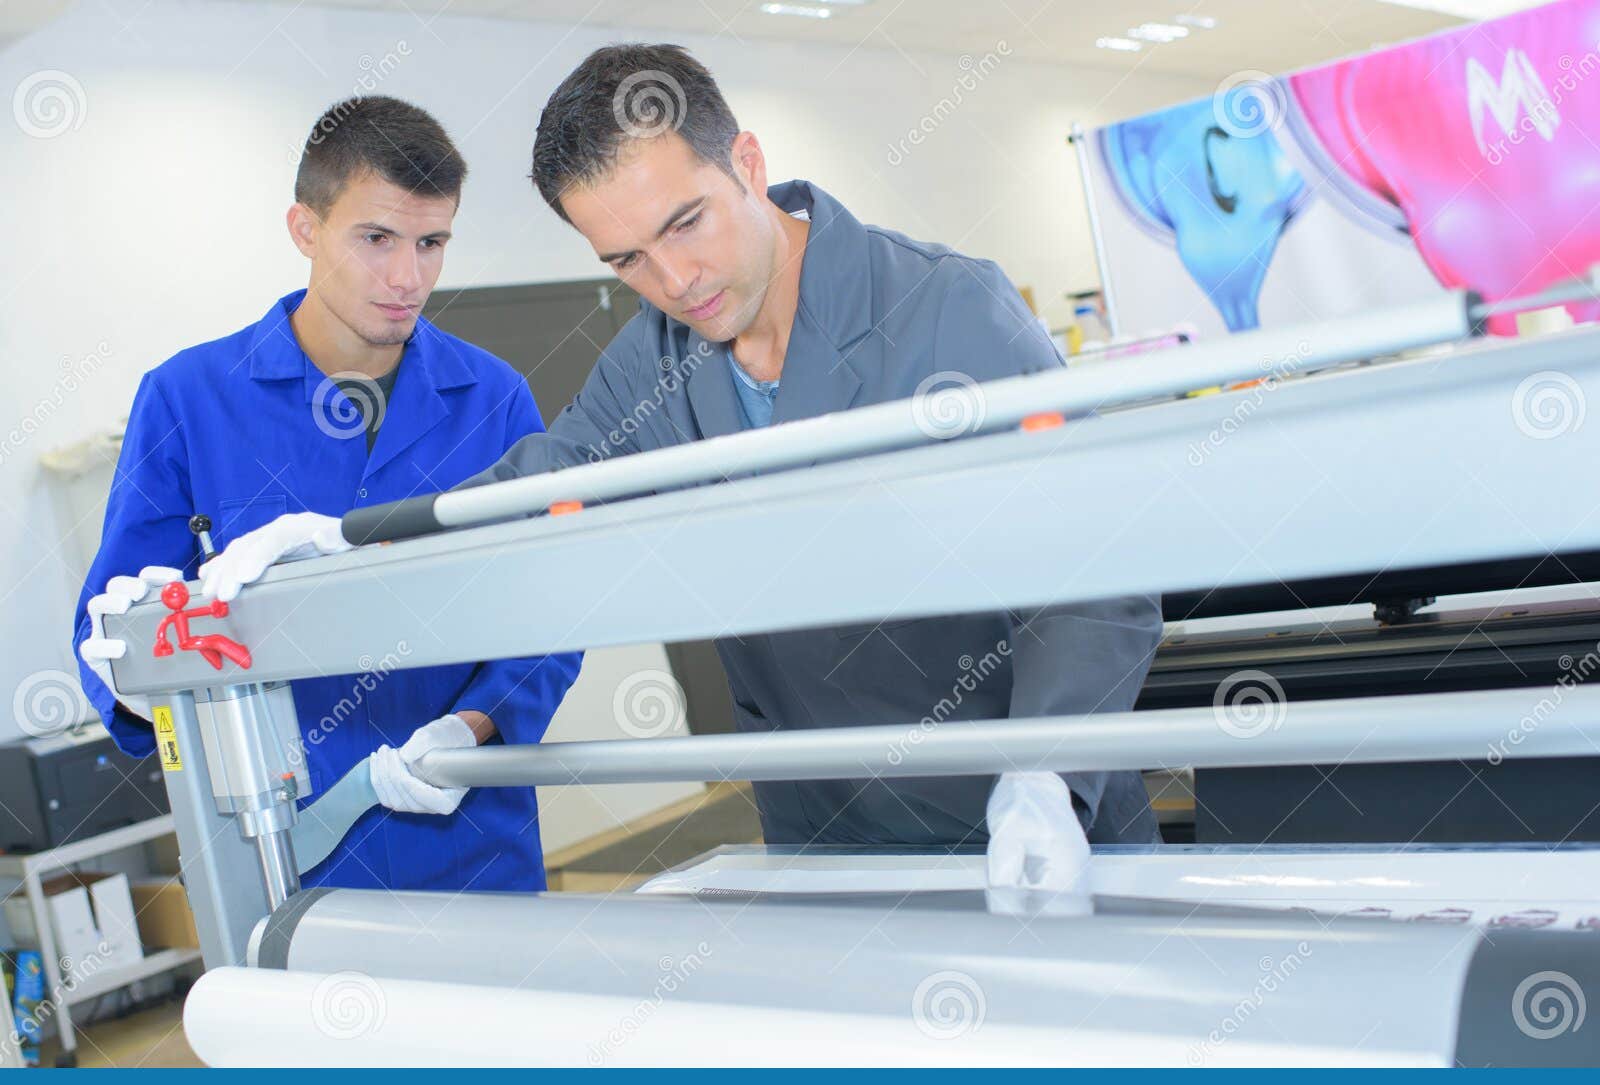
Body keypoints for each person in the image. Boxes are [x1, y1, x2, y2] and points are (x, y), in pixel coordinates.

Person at [202, 47, 1163, 904]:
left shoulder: (947, 309)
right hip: (823, 826)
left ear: (746, 163)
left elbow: (1100, 572)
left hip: (1026, 810)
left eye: (687, 224)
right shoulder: (657, 355)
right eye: (627, 258)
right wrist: (348, 538)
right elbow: (542, 485)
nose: (676, 281)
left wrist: (1045, 774)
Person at [74, 96, 581, 892]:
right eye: (376, 239)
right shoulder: (187, 399)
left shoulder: (494, 399)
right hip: (277, 863)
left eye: (432, 242)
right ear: (305, 229)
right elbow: (108, 627)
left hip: (473, 846)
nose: (408, 277)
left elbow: (550, 616)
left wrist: (470, 730)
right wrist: (139, 685)